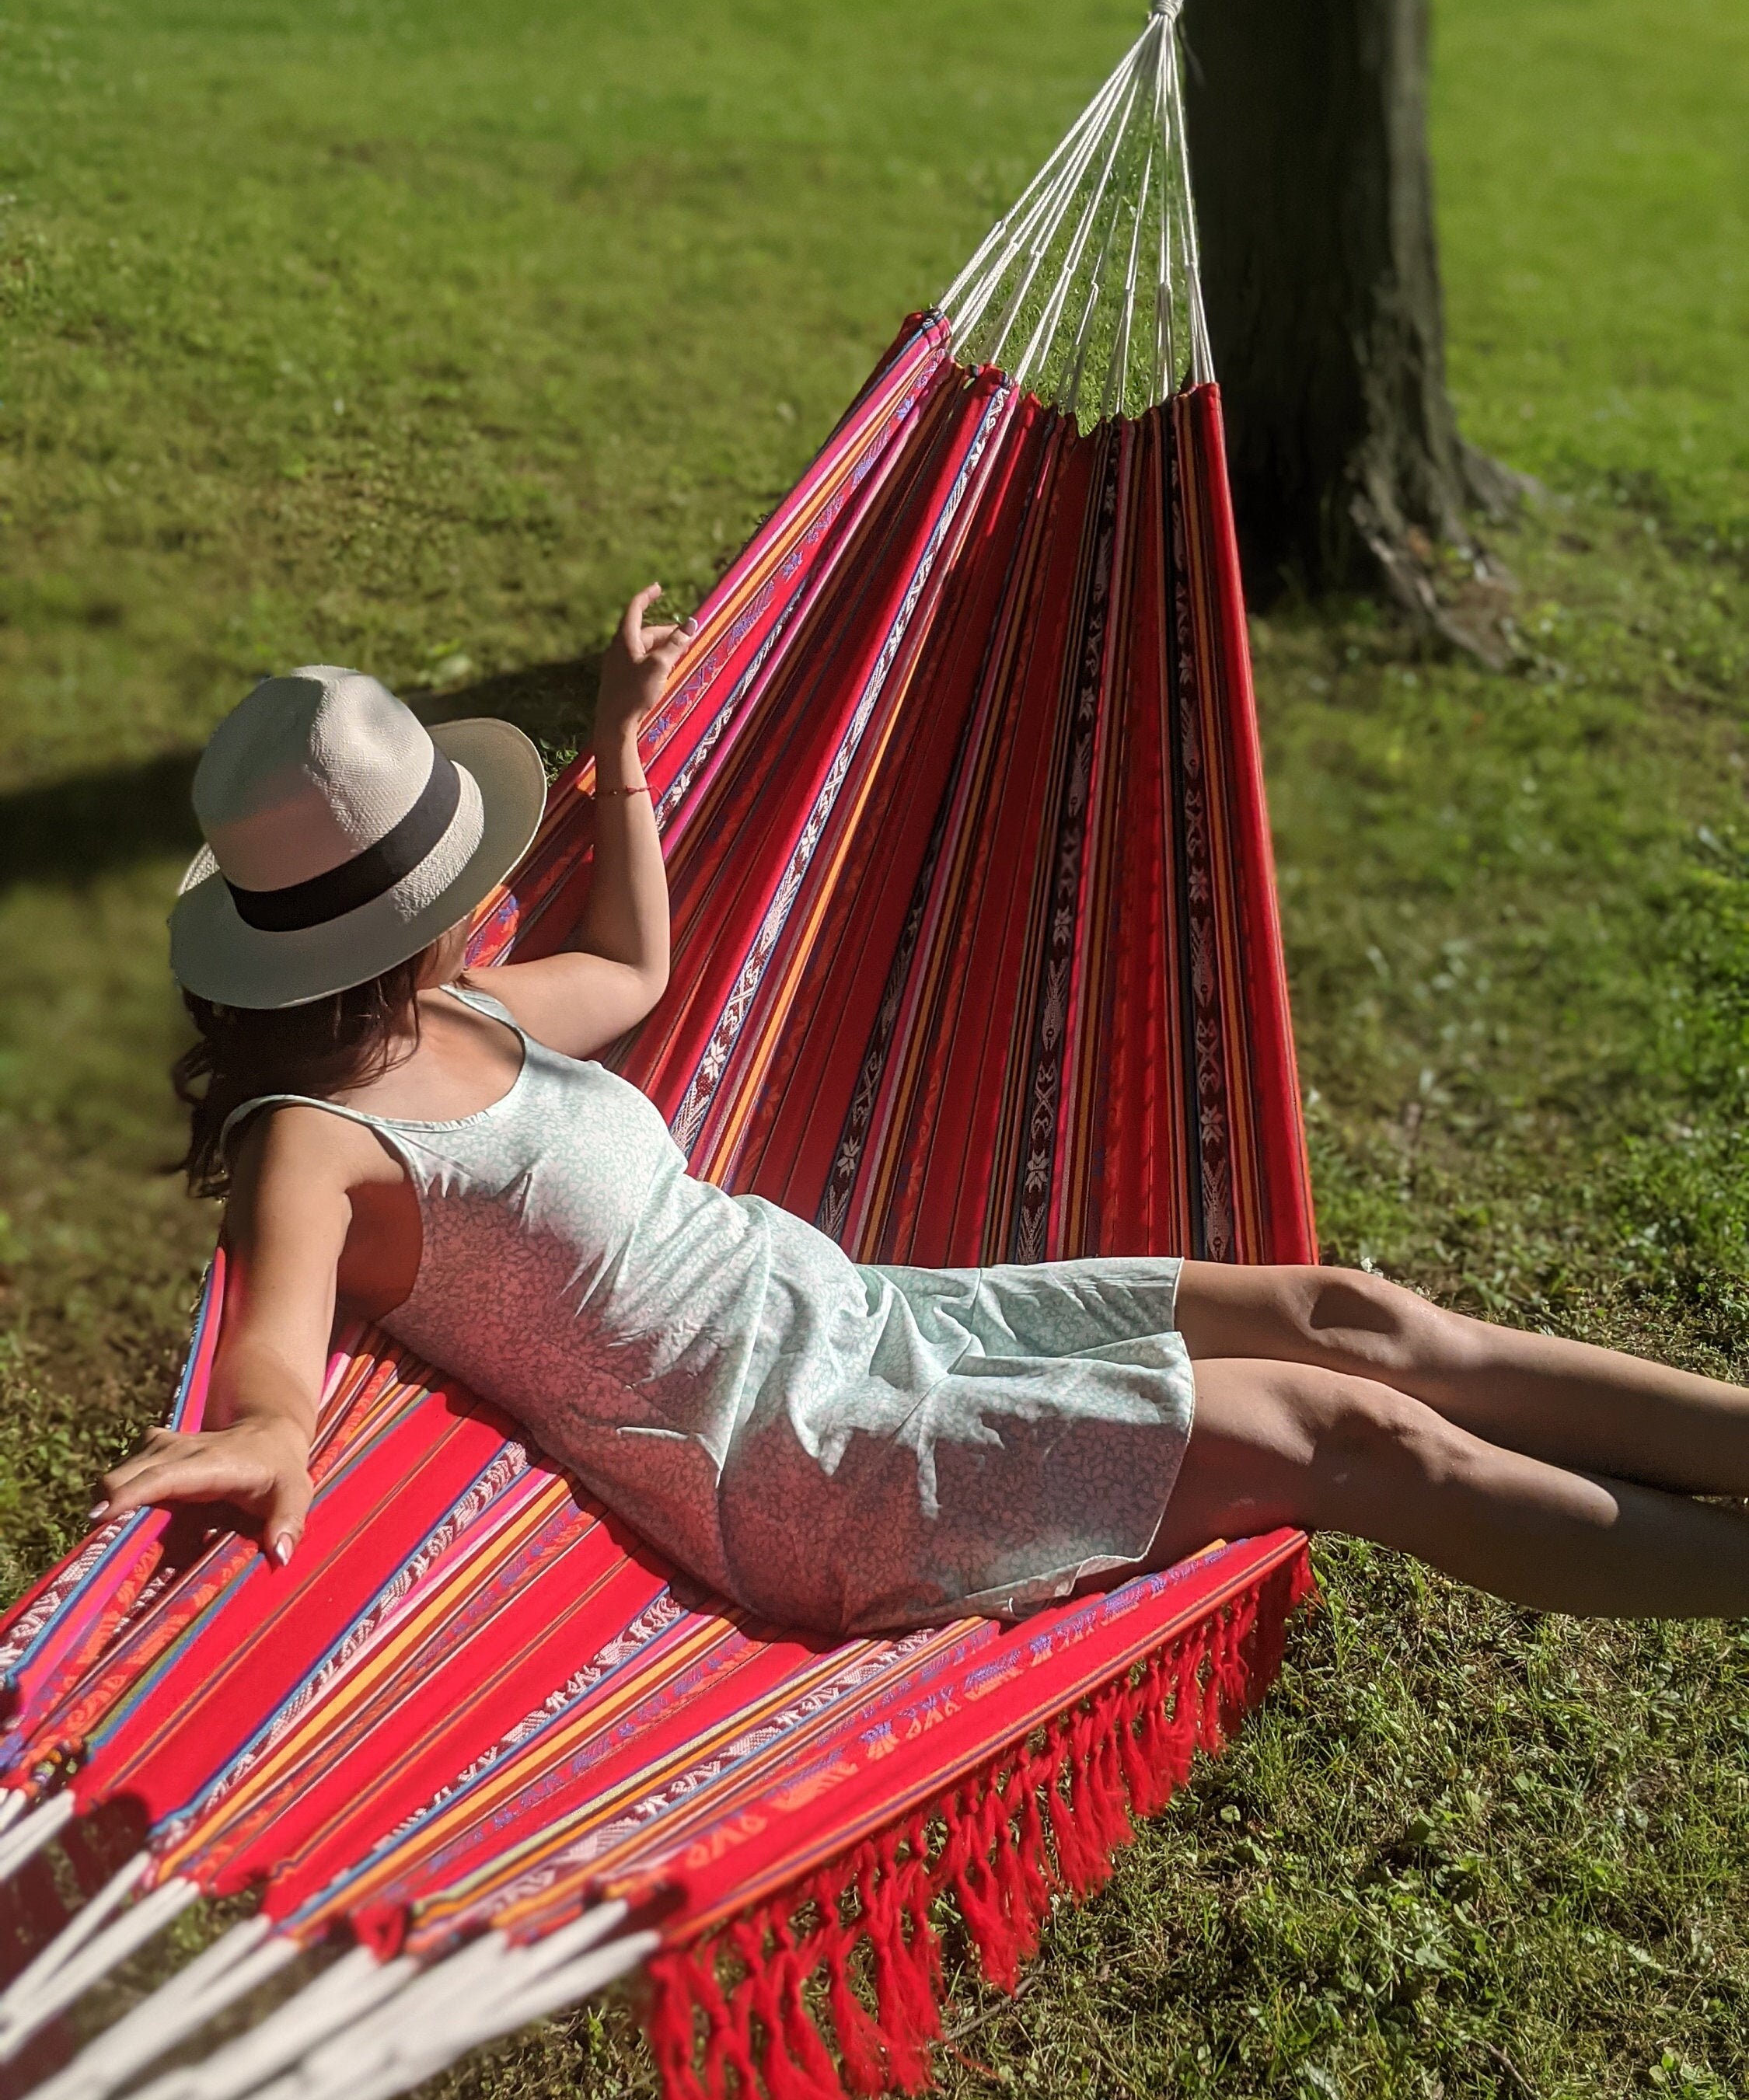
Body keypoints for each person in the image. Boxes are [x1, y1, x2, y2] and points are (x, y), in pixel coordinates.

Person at [93, 590, 1749, 1634]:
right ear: (420, 905)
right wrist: (260, 1436)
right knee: (1360, 1441)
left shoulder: (457, 1007)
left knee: (1350, 1318)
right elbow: (273, 1352)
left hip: (869, 1320)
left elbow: (633, 968)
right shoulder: (312, 1139)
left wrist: (630, 749)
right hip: (811, 1470)